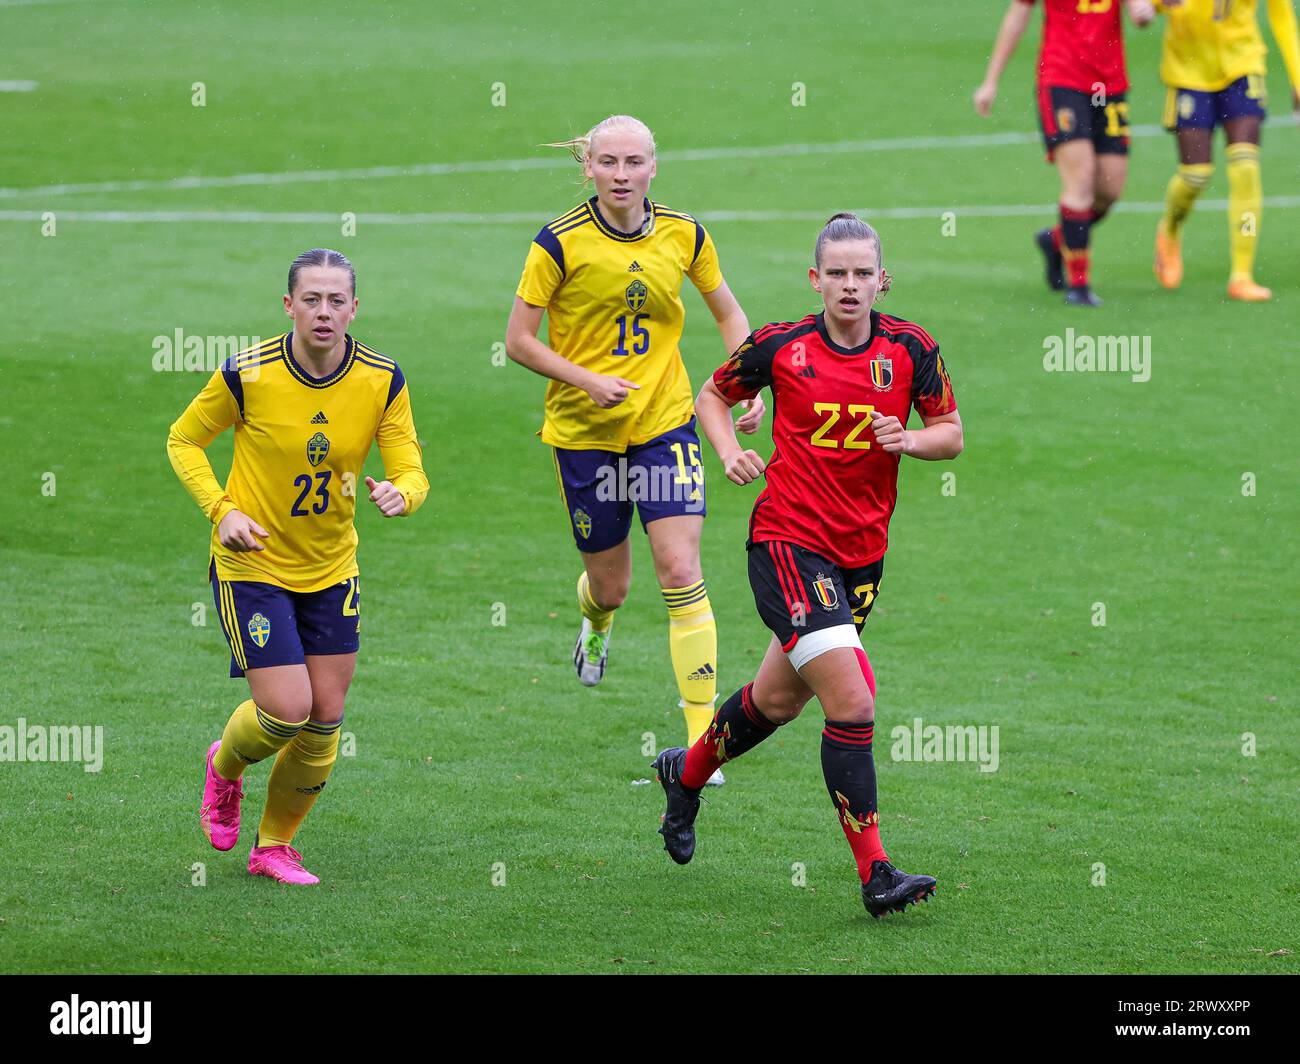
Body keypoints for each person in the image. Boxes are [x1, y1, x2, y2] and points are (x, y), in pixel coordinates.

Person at [652, 214, 963, 918]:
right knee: (851, 700)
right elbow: (713, 394)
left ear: (881, 280)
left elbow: (952, 435)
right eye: (837, 273)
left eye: (863, 274)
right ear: (815, 279)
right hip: (788, 545)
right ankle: (876, 872)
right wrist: (728, 450)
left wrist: (907, 440)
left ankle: (686, 773)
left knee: (778, 701)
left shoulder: (912, 349)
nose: (850, 285)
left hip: (861, 559)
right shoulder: (781, 346)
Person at [505, 114, 763, 784]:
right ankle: (595, 622)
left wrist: (747, 377)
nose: (622, 176)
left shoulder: (685, 233)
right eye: (609, 163)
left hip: (665, 423)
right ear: (588, 167)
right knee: (613, 585)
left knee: (679, 569)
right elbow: (519, 341)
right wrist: (585, 379)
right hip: (584, 435)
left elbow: (728, 311)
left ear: (654, 167)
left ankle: (703, 742)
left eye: (634, 163)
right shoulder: (557, 243)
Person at [167, 248, 429, 884]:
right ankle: (224, 769)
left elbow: (410, 466)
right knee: (285, 711)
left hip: (332, 569)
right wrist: (221, 510)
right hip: (252, 566)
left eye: (336, 300)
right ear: (288, 305)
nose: (323, 312)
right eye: (310, 299)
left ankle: (274, 847)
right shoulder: (246, 374)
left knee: (324, 719)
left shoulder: (382, 378)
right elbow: (184, 440)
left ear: (354, 309)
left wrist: (404, 493)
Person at [975, 0, 1155, 306]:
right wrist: (991, 81)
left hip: (1109, 85)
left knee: (1109, 190)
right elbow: (1017, 16)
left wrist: (1144, 12)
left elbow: (1139, 10)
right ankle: (1079, 286)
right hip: (1062, 81)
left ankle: (1057, 240)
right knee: (1080, 180)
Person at [1154, 0, 1300, 301]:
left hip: (1242, 64)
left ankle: (1242, 275)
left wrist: (1298, 81)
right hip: (1188, 68)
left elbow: (1282, 14)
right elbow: (1145, 8)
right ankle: (1169, 230)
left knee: (1245, 165)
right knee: (1195, 175)